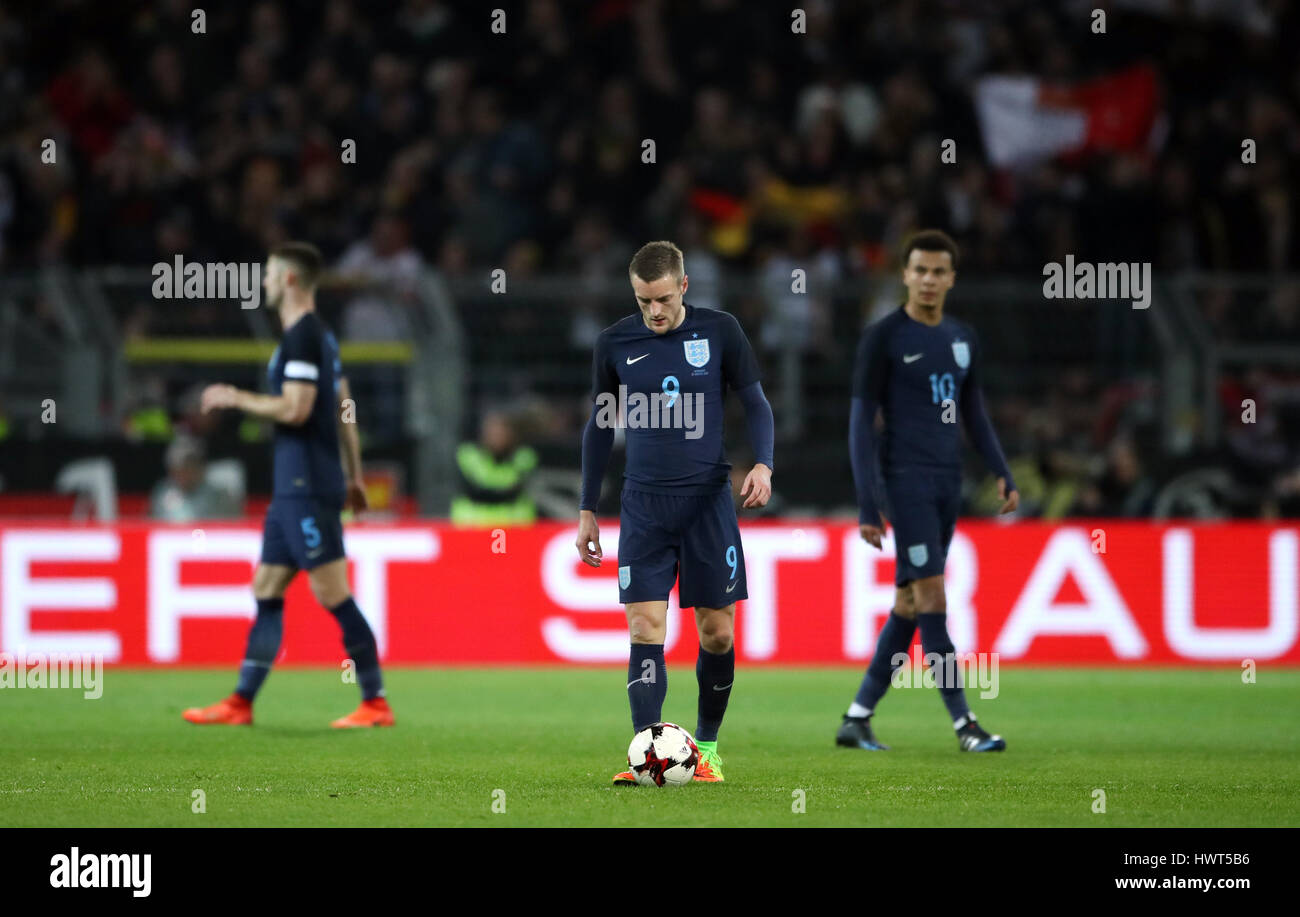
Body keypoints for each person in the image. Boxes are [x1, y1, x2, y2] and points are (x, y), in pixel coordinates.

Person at [576, 240, 774, 784]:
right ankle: (647, 755)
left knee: (717, 634)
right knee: (644, 628)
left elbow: (755, 402)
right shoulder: (614, 343)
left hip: (708, 503)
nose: (654, 311)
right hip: (643, 506)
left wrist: (764, 465)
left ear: (683, 286)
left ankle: (705, 750)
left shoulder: (721, 331)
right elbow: (599, 426)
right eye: (643, 302)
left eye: (662, 298)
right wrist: (587, 507)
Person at [182, 242, 392, 729]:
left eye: (271, 275)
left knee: (332, 592)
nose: (265, 282)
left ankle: (375, 701)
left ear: (291, 281)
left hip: (306, 484)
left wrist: (237, 397)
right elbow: (345, 407)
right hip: (294, 485)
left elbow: (297, 408)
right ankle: (241, 702)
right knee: (267, 584)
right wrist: (356, 475)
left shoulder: (302, 338)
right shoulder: (322, 339)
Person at [839, 229, 1018, 753]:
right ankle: (965, 725)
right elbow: (858, 424)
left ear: (951, 279)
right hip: (905, 481)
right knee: (933, 594)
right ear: (905, 274)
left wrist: (1002, 471)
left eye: (939, 272)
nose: (928, 280)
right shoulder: (884, 337)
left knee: (910, 603)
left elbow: (974, 414)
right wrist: (868, 503)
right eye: (920, 270)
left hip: (947, 481)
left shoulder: (962, 338)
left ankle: (857, 717)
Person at [451, 410, 538, 526]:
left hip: (513, 528)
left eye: (501, 431)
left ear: (511, 434)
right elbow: (474, 492)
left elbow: (517, 491)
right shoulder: (468, 455)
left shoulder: (523, 457)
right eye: (492, 431)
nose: (496, 436)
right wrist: (503, 490)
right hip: (473, 527)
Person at [149, 435, 240, 522]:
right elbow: (151, 525)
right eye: (177, 468)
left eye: (189, 466)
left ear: (200, 467)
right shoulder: (162, 492)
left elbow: (230, 530)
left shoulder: (220, 496)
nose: (183, 473)